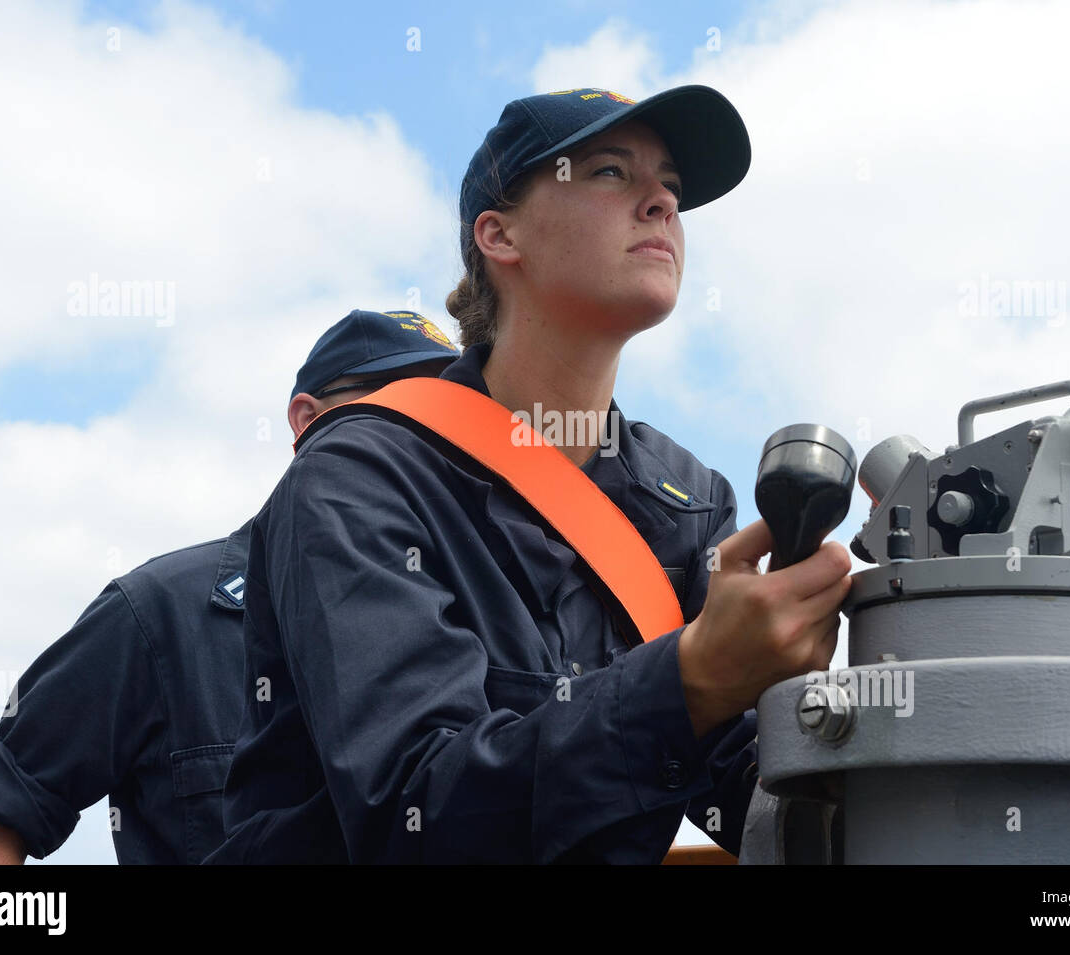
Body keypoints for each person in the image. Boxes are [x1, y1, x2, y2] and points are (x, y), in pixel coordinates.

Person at [210, 85, 851, 864]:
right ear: (499, 234)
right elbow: (413, 810)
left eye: (672, 187)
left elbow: (745, 790)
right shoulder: (358, 476)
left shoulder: (687, 498)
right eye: (611, 171)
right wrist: (690, 681)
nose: (661, 203)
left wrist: (855, 738)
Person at [0, 309, 460, 864]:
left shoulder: (488, 616)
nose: (427, 432)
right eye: (397, 403)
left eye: (450, 412)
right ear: (307, 419)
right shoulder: (161, 614)